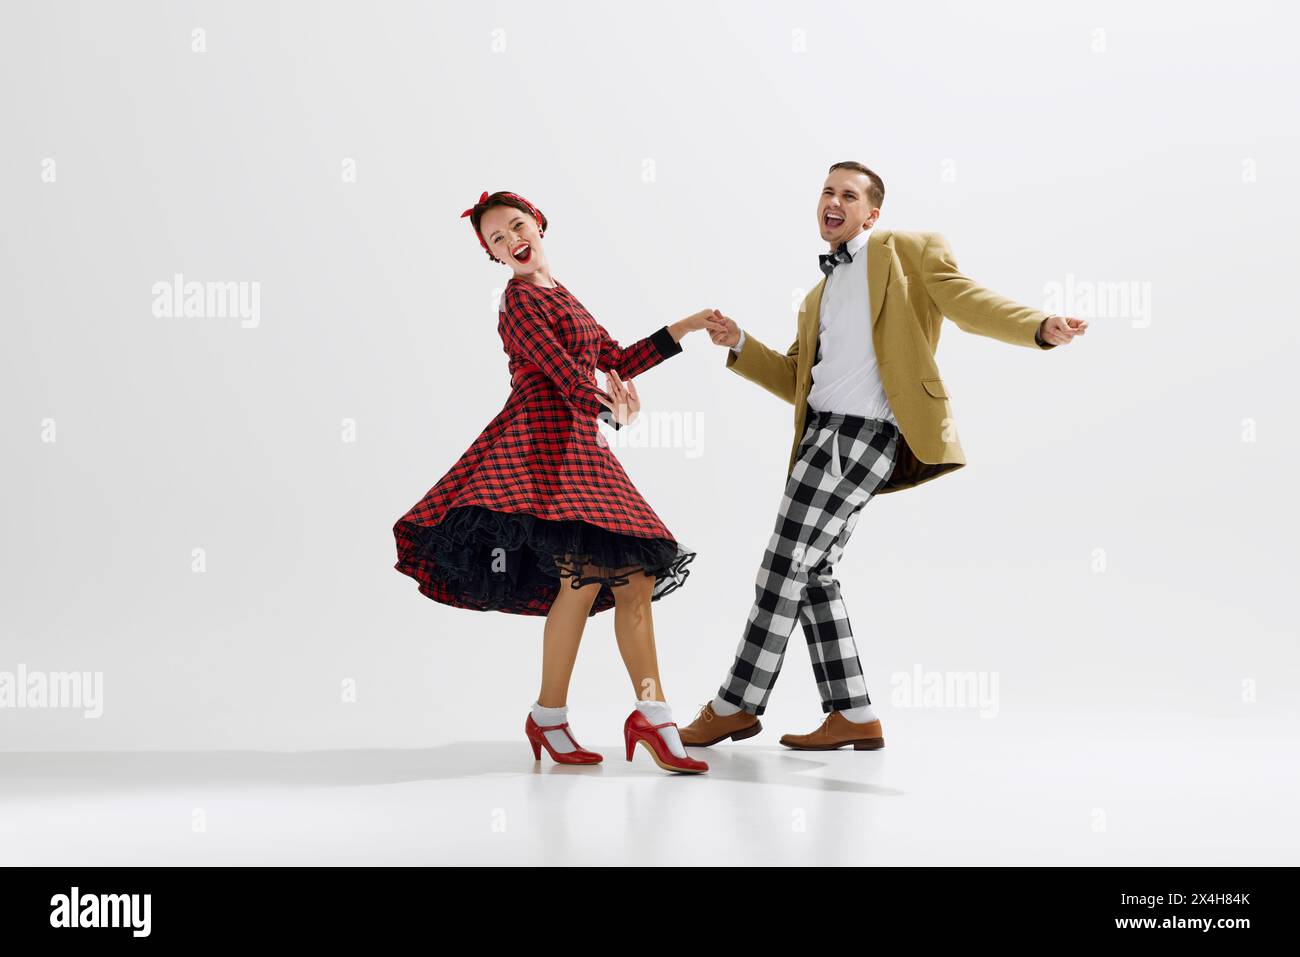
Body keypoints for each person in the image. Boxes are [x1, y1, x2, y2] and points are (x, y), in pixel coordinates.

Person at [680, 161, 1087, 751]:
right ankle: (854, 714)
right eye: (826, 190)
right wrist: (740, 343)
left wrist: (1039, 325)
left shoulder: (904, 250)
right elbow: (798, 377)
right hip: (822, 435)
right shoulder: (818, 294)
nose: (833, 200)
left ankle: (736, 703)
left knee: (780, 564)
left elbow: (966, 299)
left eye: (849, 194)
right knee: (812, 572)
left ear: (871, 213)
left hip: (862, 435)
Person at [393, 189, 712, 774]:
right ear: (493, 255)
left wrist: (684, 328)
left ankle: (630, 714)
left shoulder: (562, 294)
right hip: (538, 446)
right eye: (496, 238)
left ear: (539, 226)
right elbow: (569, 374)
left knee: (624, 579)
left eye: (518, 225)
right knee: (591, 578)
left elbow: (613, 357)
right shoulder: (517, 303)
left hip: (578, 444)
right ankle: (572, 716)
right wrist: (612, 409)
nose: (512, 239)